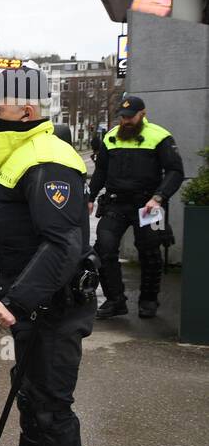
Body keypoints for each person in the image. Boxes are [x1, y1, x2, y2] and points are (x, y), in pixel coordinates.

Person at [0, 75, 101, 446]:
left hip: (53, 305)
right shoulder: (18, 154)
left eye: (0, 103)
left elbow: (62, 243)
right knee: (45, 398)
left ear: (27, 112)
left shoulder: (46, 159)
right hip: (42, 302)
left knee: (44, 405)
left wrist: (17, 300)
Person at [89, 95, 184, 319]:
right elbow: (101, 171)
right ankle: (115, 301)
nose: (126, 121)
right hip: (116, 203)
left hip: (148, 205)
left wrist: (159, 197)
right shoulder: (111, 137)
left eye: (130, 117)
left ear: (143, 114)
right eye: (122, 117)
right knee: (104, 247)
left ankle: (149, 300)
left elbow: (175, 171)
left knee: (150, 252)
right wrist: (90, 197)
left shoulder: (160, 136)